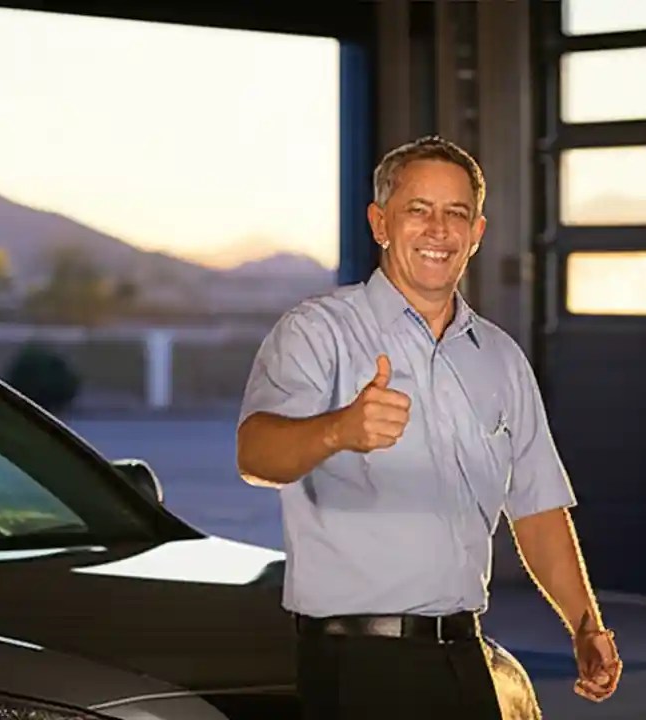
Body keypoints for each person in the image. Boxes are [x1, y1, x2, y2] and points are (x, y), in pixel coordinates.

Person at [235, 134, 621, 718]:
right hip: (358, 668)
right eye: (418, 210)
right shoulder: (319, 332)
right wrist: (339, 429)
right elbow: (255, 454)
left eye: (456, 214)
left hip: (467, 659)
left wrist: (586, 625)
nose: (438, 229)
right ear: (380, 222)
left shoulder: (500, 358)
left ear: (477, 234)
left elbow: (538, 508)